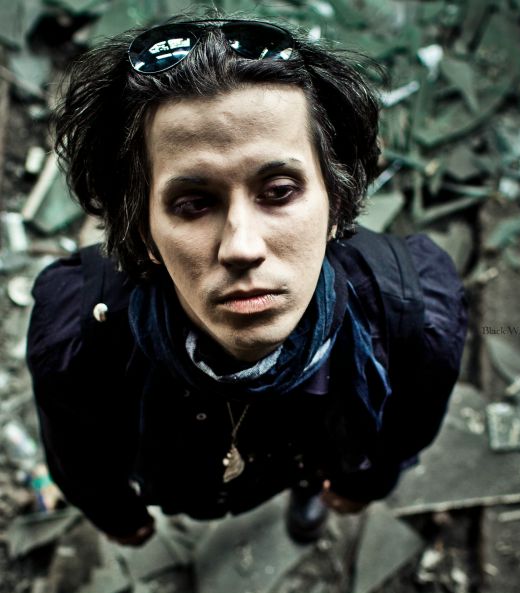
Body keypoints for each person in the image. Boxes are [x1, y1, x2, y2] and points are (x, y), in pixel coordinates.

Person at [26, 14, 468, 547]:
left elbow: (405, 428)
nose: (241, 247)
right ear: (144, 233)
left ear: (335, 203)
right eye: (193, 203)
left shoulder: (411, 312)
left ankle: (308, 494)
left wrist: (362, 485)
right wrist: (119, 517)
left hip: (312, 461)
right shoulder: (81, 335)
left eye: (279, 192)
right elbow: (77, 458)